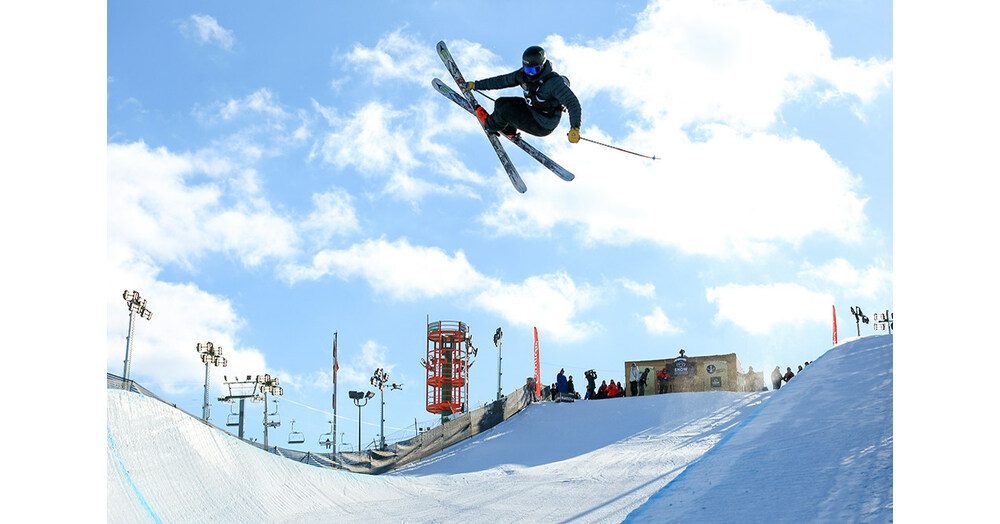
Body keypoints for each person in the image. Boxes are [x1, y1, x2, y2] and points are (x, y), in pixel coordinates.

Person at [461, 45, 582, 143]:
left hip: (542, 124)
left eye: (534, 70)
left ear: (542, 65)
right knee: (501, 103)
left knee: (505, 111)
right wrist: (476, 85)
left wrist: (575, 128)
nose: (530, 73)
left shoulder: (553, 83)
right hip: (531, 111)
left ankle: (489, 125)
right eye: (527, 69)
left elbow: (573, 103)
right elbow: (502, 81)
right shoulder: (522, 75)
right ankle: (508, 130)